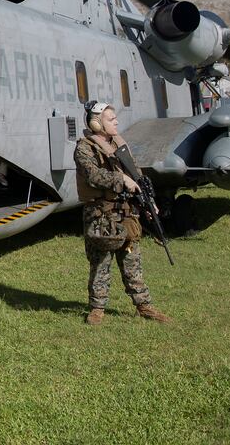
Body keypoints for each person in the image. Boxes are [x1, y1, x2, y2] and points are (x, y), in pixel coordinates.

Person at [75, 101, 171, 325]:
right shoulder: (85, 148)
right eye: (111, 119)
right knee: (100, 263)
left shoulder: (119, 143)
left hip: (126, 213)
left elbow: (135, 174)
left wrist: (148, 203)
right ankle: (97, 309)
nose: (116, 122)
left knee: (132, 261)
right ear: (96, 123)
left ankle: (144, 306)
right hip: (100, 214)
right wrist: (121, 180)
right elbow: (93, 176)